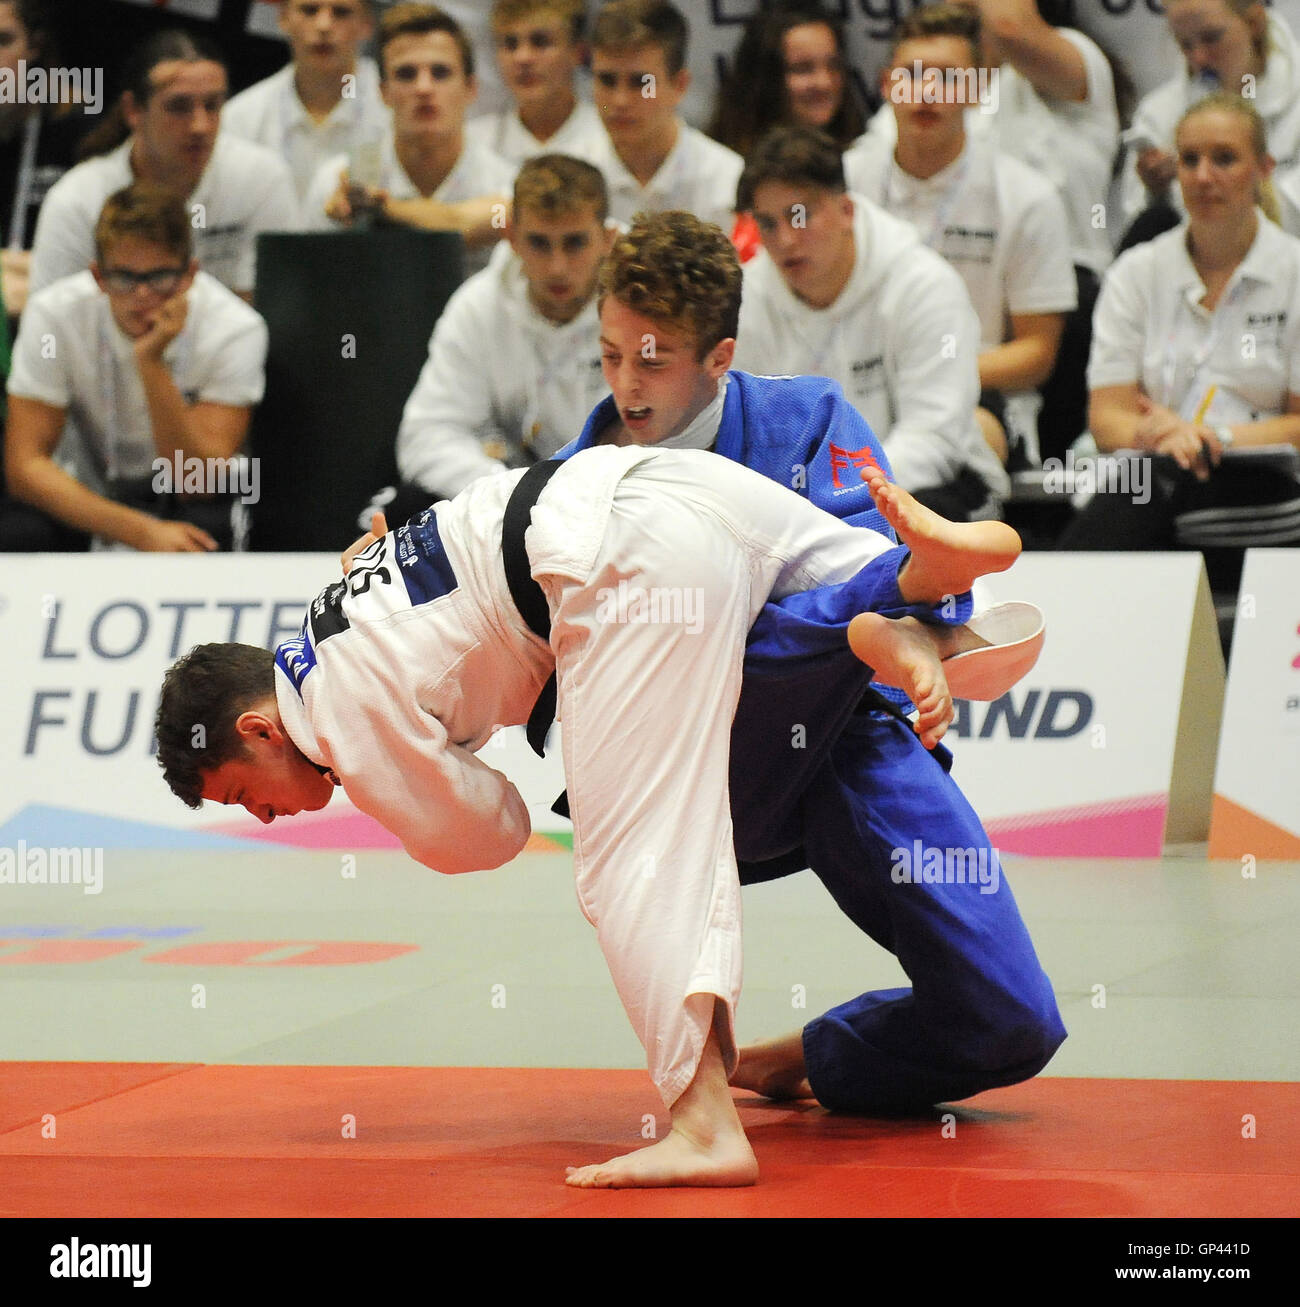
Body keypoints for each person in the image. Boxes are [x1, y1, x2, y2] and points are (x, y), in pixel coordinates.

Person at [157, 421, 1034, 1188]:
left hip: (610, 563)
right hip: (661, 483)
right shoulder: (334, 611)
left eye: (248, 797)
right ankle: (919, 596)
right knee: (946, 626)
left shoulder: (337, 710)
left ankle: (702, 1126)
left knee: (633, 855)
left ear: (260, 729)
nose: (272, 817)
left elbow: (486, 834)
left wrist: (432, 758)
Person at [554, 210, 1063, 1122]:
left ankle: (819, 1057)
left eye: (654, 359)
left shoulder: (805, 418)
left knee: (1012, 1021)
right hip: (694, 771)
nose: (626, 387)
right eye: (610, 356)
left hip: (838, 731)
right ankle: (910, 616)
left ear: (720, 358)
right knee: (807, 611)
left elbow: (867, 548)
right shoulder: (571, 483)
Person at [1058, 94, 1300, 573]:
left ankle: (1058, 611)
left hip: (1268, 479)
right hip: (1157, 471)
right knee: (1148, 480)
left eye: (1224, 158)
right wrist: (1160, 434)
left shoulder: (1294, 270)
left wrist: (1212, 437)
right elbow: (1108, 418)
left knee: (1149, 492)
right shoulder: (1137, 271)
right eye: (1189, 160)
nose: (1203, 175)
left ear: (1264, 169)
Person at [731, 126, 1008, 520]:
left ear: (847, 210)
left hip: (922, 492)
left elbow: (933, 440)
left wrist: (837, 498)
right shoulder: (747, 299)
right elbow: (744, 438)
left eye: (799, 216)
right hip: (795, 509)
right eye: (768, 224)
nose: (785, 240)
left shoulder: (923, 284)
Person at [846, 4, 1075, 468]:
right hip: (856, 387)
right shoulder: (843, 186)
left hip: (980, 400)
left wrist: (927, 373)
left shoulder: (1027, 197)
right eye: (912, 75)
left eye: (948, 78)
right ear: (887, 84)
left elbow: (1038, 353)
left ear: (980, 88)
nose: (927, 92)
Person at [4, 182, 267, 551]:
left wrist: (150, 362)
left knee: (210, 526)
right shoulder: (54, 314)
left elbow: (197, 480)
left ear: (189, 274)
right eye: (124, 278)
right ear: (98, 276)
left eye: (159, 277)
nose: (142, 295)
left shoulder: (235, 328)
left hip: (192, 498)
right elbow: (25, 466)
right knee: (22, 528)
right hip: (97, 493)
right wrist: (138, 531)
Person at [391, 153, 613, 514]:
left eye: (575, 243)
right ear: (510, 235)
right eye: (540, 243)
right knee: (409, 505)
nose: (557, 267)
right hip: (509, 507)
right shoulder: (478, 306)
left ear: (607, 238)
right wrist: (518, 493)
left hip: (612, 505)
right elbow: (426, 436)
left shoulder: (643, 307)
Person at [28, 29, 299, 301]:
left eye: (212, 105)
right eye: (179, 107)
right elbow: (52, 322)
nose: (200, 126)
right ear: (133, 110)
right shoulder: (77, 201)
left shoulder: (261, 178)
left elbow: (277, 309)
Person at [301, 2, 515, 274]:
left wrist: (380, 208)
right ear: (383, 92)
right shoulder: (336, 181)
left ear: (471, 88)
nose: (423, 88)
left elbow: (464, 226)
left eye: (440, 72)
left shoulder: (507, 184)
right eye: (406, 74)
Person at [1120, 0, 1300, 238]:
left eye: (1212, 38)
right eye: (1185, 44)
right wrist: (1156, 193)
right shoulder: (1158, 113)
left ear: (1254, 22)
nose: (1199, 58)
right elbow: (1138, 228)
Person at [585, 0, 743, 234]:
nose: (620, 101)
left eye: (642, 83)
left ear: (679, 85)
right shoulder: (568, 177)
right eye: (606, 80)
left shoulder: (728, 184)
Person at [221, 0, 389, 205]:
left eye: (341, 12)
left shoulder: (398, 109)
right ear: (283, 18)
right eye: (309, 10)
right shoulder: (239, 118)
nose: (324, 25)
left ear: (367, 25)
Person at [0, 0, 96, 320]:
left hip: (57, 319)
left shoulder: (80, 128)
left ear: (35, 47)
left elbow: (99, 259)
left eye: (2, 41)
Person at [708, 1, 867, 159]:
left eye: (834, 65)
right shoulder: (724, 167)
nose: (824, 82)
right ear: (765, 78)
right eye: (803, 69)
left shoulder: (866, 157)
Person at [464, 0, 604, 168]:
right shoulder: (470, 144)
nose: (523, 58)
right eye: (510, 44)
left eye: (540, 42)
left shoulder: (612, 137)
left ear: (578, 53)